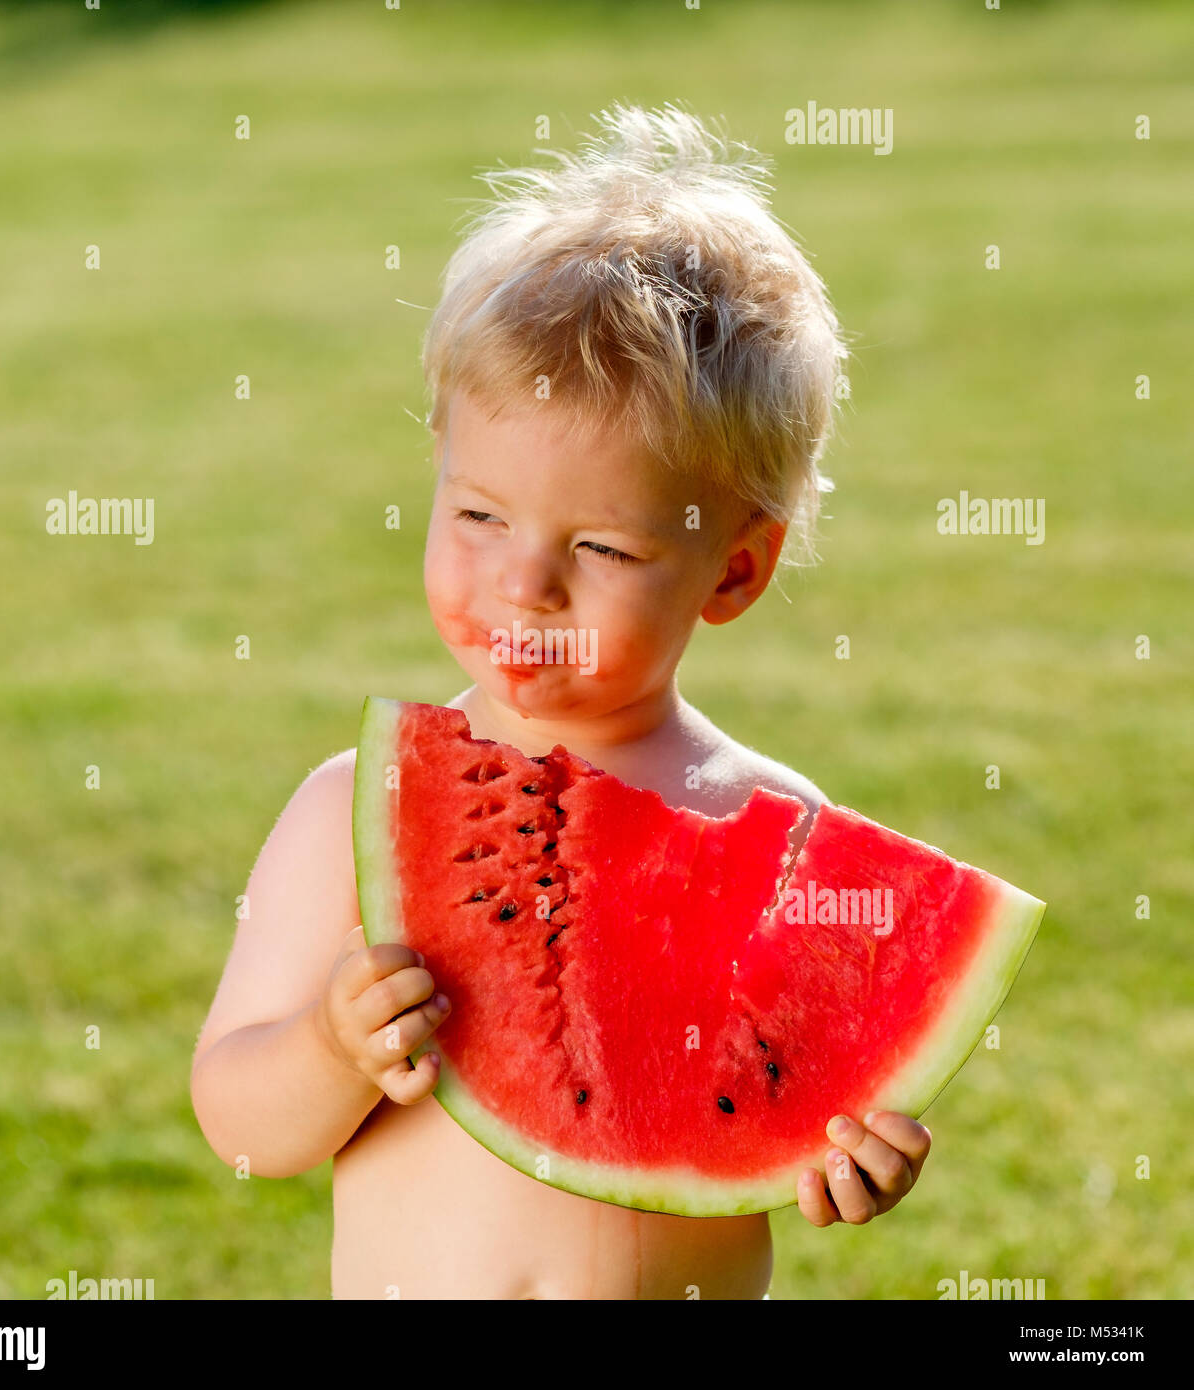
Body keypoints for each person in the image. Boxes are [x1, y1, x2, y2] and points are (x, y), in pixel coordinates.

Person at [191, 102, 930, 1299]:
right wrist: (332, 1048)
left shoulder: (780, 833)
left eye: (601, 547)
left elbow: (803, 1098)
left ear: (734, 569)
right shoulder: (357, 805)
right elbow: (239, 1121)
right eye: (477, 515)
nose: (523, 583)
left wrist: (852, 1154)